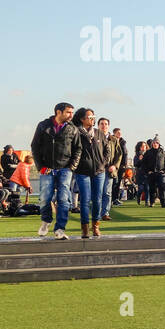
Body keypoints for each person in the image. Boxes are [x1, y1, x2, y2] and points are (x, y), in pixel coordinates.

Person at [30, 101, 81, 239]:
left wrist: (71, 167)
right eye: (68, 112)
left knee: (64, 199)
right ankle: (46, 220)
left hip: (65, 168)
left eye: (72, 112)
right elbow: (35, 146)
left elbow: (78, 149)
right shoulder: (43, 126)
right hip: (47, 168)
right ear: (58, 112)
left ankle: (60, 229)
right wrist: (41, 167)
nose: (71, 115)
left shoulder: (73, 128)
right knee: (45, 198)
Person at [70, 107, 106, 238]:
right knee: (84, 200)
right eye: (90, 117)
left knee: (97, 200)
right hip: (82, 172)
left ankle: (95, 226)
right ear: (82, 119)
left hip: (99, 171)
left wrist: (103, 163)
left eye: (93, 117)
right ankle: (85, 229)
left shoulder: (99, 133)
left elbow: (106, 150)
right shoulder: (76, 133)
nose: (93, 119)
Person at [95, 117, 118, 223]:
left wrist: (115, 165)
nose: (104, 126)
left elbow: (119, 154)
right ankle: (97, 213)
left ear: (108, 126)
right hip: (98, 169)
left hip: (109, 170)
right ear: (98, 125)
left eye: (105, 124)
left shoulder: (113, 139)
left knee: (107, 193)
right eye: (101, 124)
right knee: (98, 193)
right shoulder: (94, 137)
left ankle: (105, 213)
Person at [139, 138, 165, 208]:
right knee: (152, 188)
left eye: (156, 143)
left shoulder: (163, 152)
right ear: (152, 144)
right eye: (154, 143)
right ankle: (152, 202)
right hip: (151, 173)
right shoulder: (148, 152)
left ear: (159, 144)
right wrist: (148, 171)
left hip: (160, 173)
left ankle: (163, 203)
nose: (155, 144)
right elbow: (143, 163)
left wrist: (164, 170)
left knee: (162, 187)